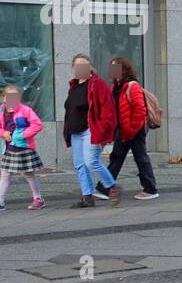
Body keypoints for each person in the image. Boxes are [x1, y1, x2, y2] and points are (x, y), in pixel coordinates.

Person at [63, 53, 119, 208]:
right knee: (80, 165)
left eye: (84, 65)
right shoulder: (73, 85)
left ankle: (112, 186)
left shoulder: (97, 84)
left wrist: (103, 131)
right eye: (78, 65)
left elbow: (108, 111)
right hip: (76, 132)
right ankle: (87, 197)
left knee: (91, 162)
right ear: (73, 68)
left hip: (91, 131)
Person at [102, 56, 158, 200]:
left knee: (141, 158)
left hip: (135, 129)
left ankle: (151, 189)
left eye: (116, 67)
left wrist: (132, 128)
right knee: (117, 156)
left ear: (125, 70)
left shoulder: (132, 86)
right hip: (123, 129)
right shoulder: (115, 86)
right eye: (111, 67)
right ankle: (104, 187)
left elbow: (140, 110)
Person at [0, 86, 46, 211]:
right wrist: (2, 133)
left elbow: (37, 124)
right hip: (9, 147)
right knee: (5, 174)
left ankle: (38, 199)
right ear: (3, 98)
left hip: (24, 147)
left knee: (29, 173)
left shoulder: (25, 110)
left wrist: (22, 135)